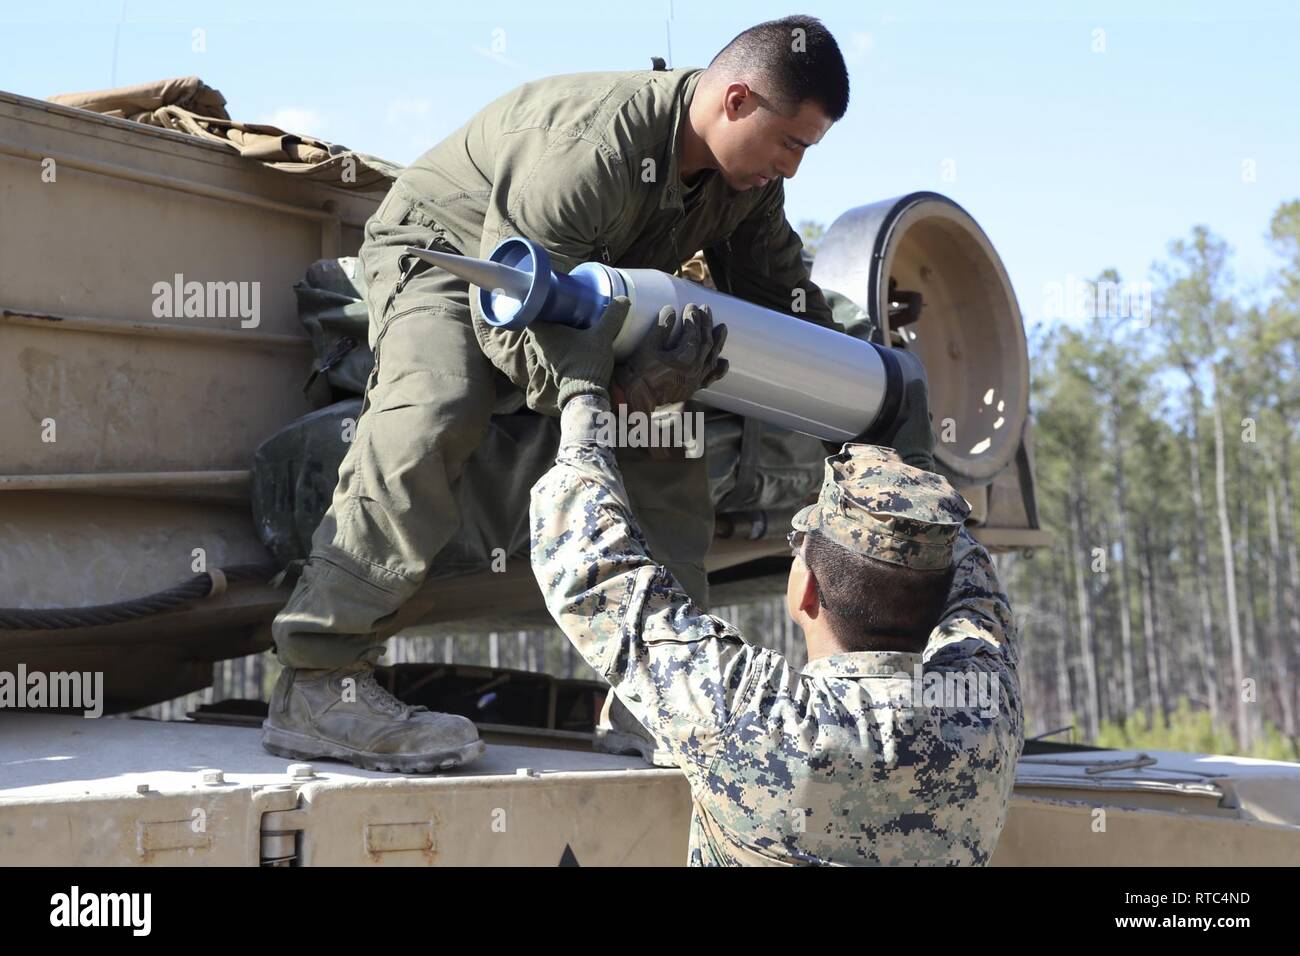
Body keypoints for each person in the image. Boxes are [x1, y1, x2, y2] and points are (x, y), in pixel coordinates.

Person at [262, 16, 854, 772]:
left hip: (587, 294)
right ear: (736, 101)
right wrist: (598, 399)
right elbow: (508, 310)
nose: (793, 169)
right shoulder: (592, 149)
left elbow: (779, 291)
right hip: (463, 261)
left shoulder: (742, 187)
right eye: (792, 144)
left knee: (670, 446)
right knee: (436, 410)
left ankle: (657, 697)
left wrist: (851, 374)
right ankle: (317, 678)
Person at [528, 301, 1024, 865]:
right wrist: (905, 472)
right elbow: (974, 596)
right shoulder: (984, 716)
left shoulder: (761, 717)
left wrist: (582, 397)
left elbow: (593, 571)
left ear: (804, 591)